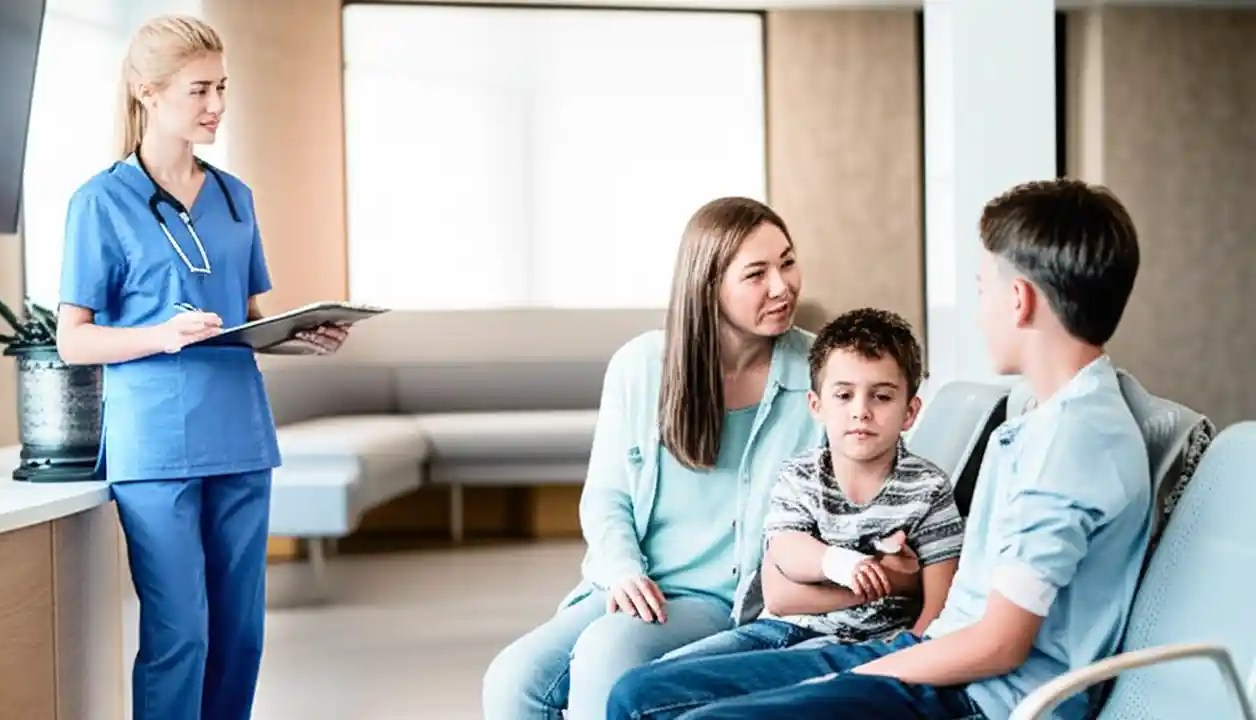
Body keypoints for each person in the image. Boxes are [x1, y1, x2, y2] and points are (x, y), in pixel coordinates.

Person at [606, 177, 1151, 720]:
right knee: (636, 697)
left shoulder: (1071, 446)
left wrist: (852, 674)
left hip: (975, 693)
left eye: (981, 288)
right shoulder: (1048, 413)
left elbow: (999, 646)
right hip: (929, 658)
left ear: (1018, 299)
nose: (976, 308)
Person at [55, 15, 347, 720]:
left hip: (240, 439)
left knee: (240, 636)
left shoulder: (233, 197)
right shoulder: (99, 202)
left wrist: (297, 336)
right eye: (200, 90)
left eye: (222, 88)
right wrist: (160, 335)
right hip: (156, 448)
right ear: (147, 93)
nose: (217, 105)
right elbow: (74, 342)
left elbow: (243, 316)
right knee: (179, 633)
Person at [481, 197, 824, 719]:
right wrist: (621, 571)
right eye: (757, 273)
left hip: (727, 600)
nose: (782, 285)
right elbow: (606, 496)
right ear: (708, 286)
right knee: (513, 679)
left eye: (788, 262)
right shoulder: (641, 366)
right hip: (635, 583)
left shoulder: (822, 372)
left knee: (607, 656)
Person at [659, 308, 962, 663]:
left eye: (881, 396)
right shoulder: (799, 476)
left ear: (909, 412)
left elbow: (938, 609)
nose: (860, 411)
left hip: (868, 647)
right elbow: (786, 554)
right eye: (844, 395)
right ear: (816, 406)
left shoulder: (929, 490)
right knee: (658, 678)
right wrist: (849, 566)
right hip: (777, 629)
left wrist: (901, 666)